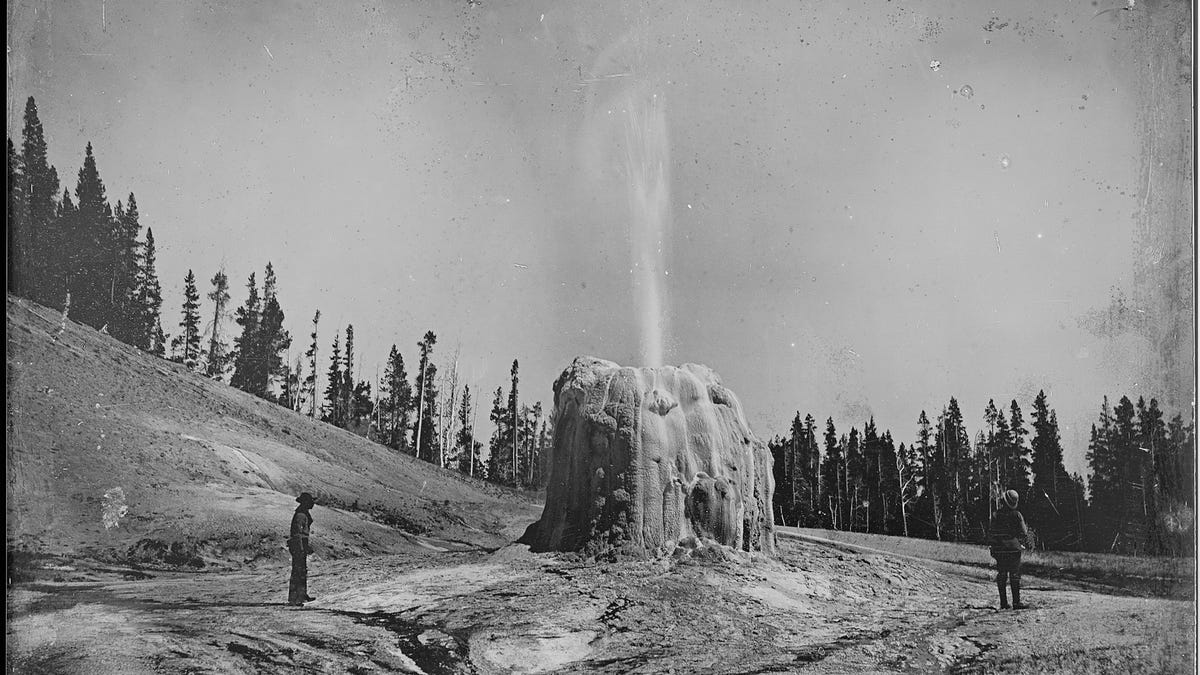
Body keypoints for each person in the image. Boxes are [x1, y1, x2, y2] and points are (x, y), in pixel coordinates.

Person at [989, 489, 1029, 610]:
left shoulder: (995, 515)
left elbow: (991, 532)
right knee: (1014, 574)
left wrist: (994, 546)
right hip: (1013, 548)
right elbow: (1024, 532)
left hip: (1000, 548)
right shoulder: (1017, 515)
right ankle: (1016, 602)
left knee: (1002, 574)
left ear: (1003, 500)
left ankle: (1003, 603)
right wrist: (1018, 541)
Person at [288, 492, 317, 606]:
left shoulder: (303, 513)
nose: (313, 504)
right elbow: (298, 533)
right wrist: (301, 547)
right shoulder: (301, 515)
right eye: (310, 502)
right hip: (298, 544)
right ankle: (295, 598)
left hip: (301, 544)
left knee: (301, 570)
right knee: (298, 571)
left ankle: (301, 595)